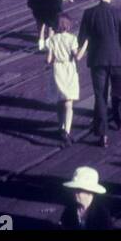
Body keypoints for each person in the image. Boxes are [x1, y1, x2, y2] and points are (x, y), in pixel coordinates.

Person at [76, 0, 121, 148]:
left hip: (97, 60)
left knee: (100, 97)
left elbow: (82, 39)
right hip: (117, 59)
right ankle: (120, 120)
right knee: (119, 92)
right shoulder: (119, 13)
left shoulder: (88, 13)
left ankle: (102, 134)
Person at [46, 13, 80, 146]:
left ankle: (60, 128)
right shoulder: (72, 39)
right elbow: (77, 56)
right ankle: (67, 130)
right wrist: (85, 46)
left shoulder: (53, 39)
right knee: (69, 102)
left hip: (57, 69)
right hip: (68, 69)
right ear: (68, 25)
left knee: (59, 101)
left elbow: (48, 60)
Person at [60, 166, 113, 230]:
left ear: (90, 192)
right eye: (74, 189)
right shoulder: (70, 209)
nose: (75, 193)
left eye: (79, 190)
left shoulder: (102, 214)